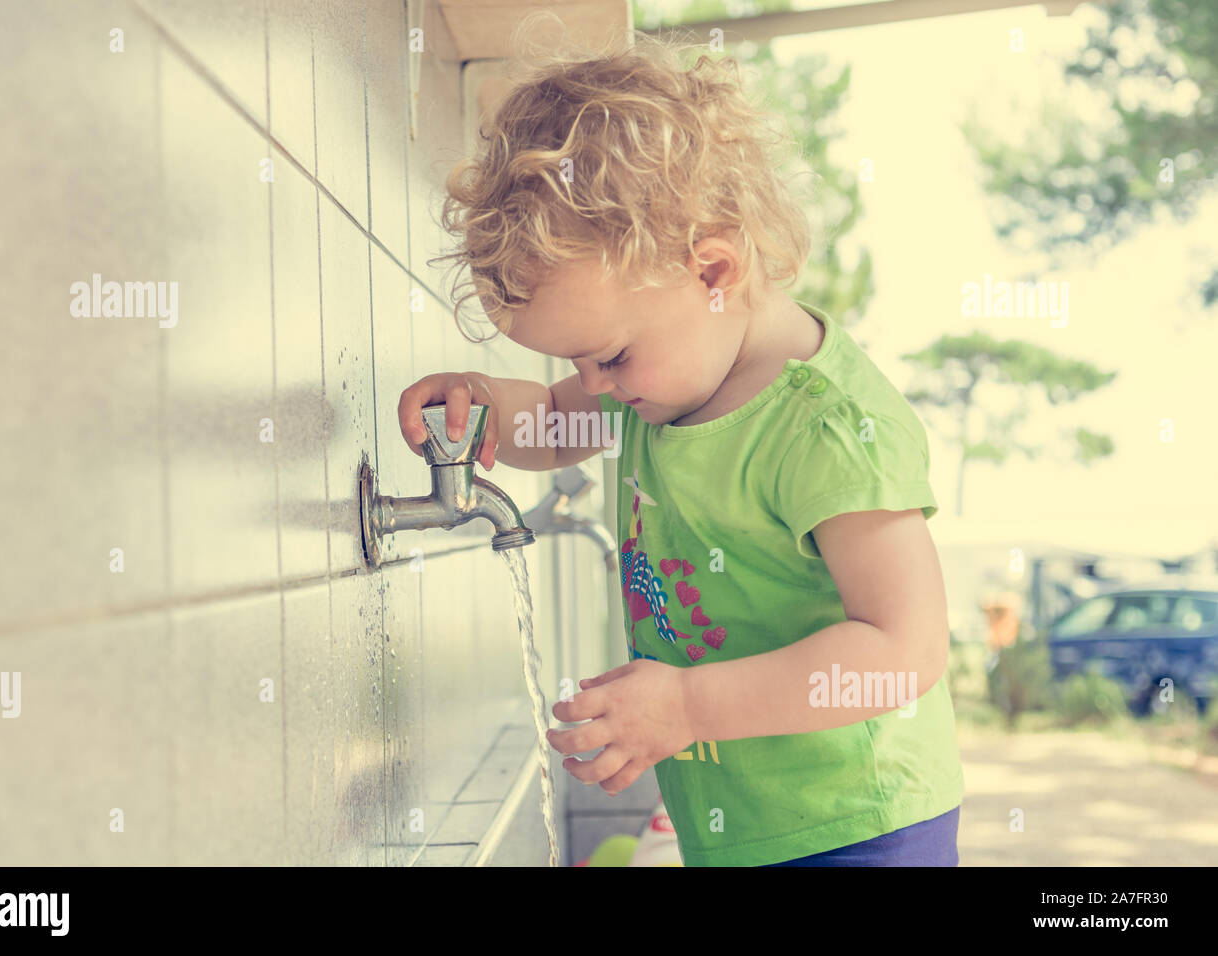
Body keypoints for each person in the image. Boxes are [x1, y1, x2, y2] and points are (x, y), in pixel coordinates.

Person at [397, 31, 962, 867]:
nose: (594, 382)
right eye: (577, 361)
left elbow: (902, 651)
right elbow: (555, 420)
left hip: (857, 824)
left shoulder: (825, 427)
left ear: (714, 270)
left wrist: (693, 709)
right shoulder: (659, 382)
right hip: (740, 824)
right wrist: (483, 408)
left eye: (610, 356)